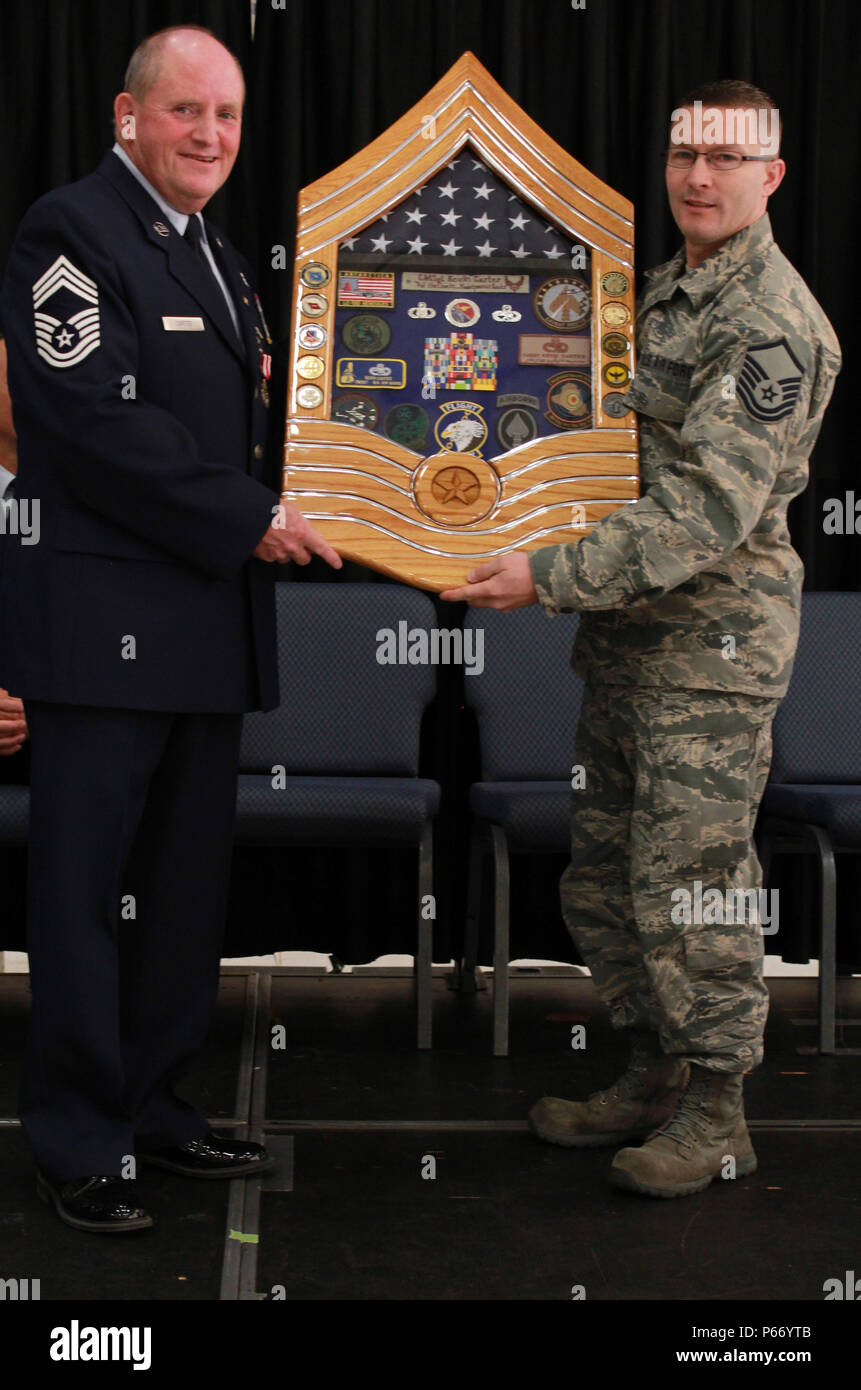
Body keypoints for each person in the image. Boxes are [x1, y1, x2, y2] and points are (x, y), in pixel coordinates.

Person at [442, 80, 841, 1198]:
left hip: (708, 659)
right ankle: (654, 1069)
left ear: (771, 175)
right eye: (683, 155)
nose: (698, 176)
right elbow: (586, 446)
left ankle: (719, 1109)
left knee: (695, 880)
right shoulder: (664, 293)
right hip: (629, 644)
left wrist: (549, 574)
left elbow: (705, 510)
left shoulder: (769, 322)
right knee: (614, 875)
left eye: (725, 157)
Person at [0, 25, 341, 1233]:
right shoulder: (71, 234)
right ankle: (80, 1139)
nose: (210, 136)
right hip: (103, 638)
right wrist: (256, 518)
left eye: (229, 117)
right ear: (126, 114)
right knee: (87, 898)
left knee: (181, 894)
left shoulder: (224, 262)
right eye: (187, 111)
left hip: (200, 632)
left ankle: (152, 1105)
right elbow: (93, 424)